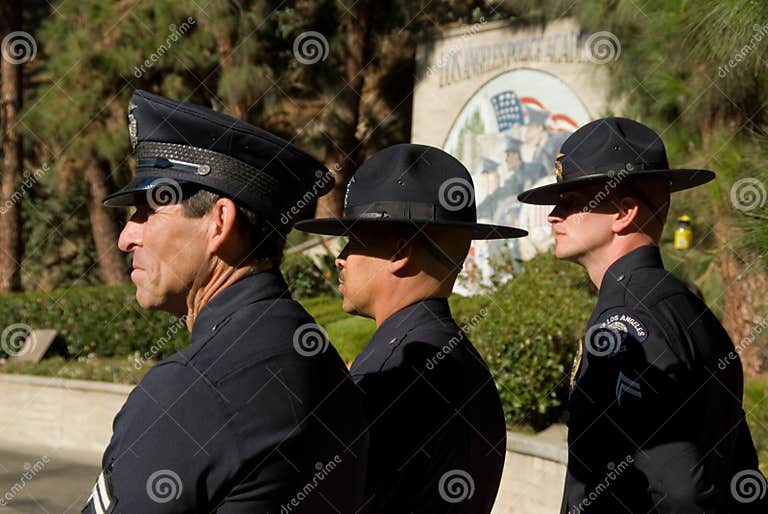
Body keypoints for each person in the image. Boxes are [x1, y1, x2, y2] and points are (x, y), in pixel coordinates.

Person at [82, 90, 368, 513]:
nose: (126, 237)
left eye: (146, 211)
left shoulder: (191, 390)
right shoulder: (315, 355)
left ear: (218, 222)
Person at [518, 117, 766, 513]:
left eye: (571, 201)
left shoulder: (626, 320)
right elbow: (738, 468)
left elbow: (683, 494)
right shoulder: (686, 303)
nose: (553, 216)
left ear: (624, 212)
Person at [296, 143, 527, 513]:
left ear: (398, 253)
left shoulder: (395, 370)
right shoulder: (461, 360)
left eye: (353, 240)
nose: (340, 258)